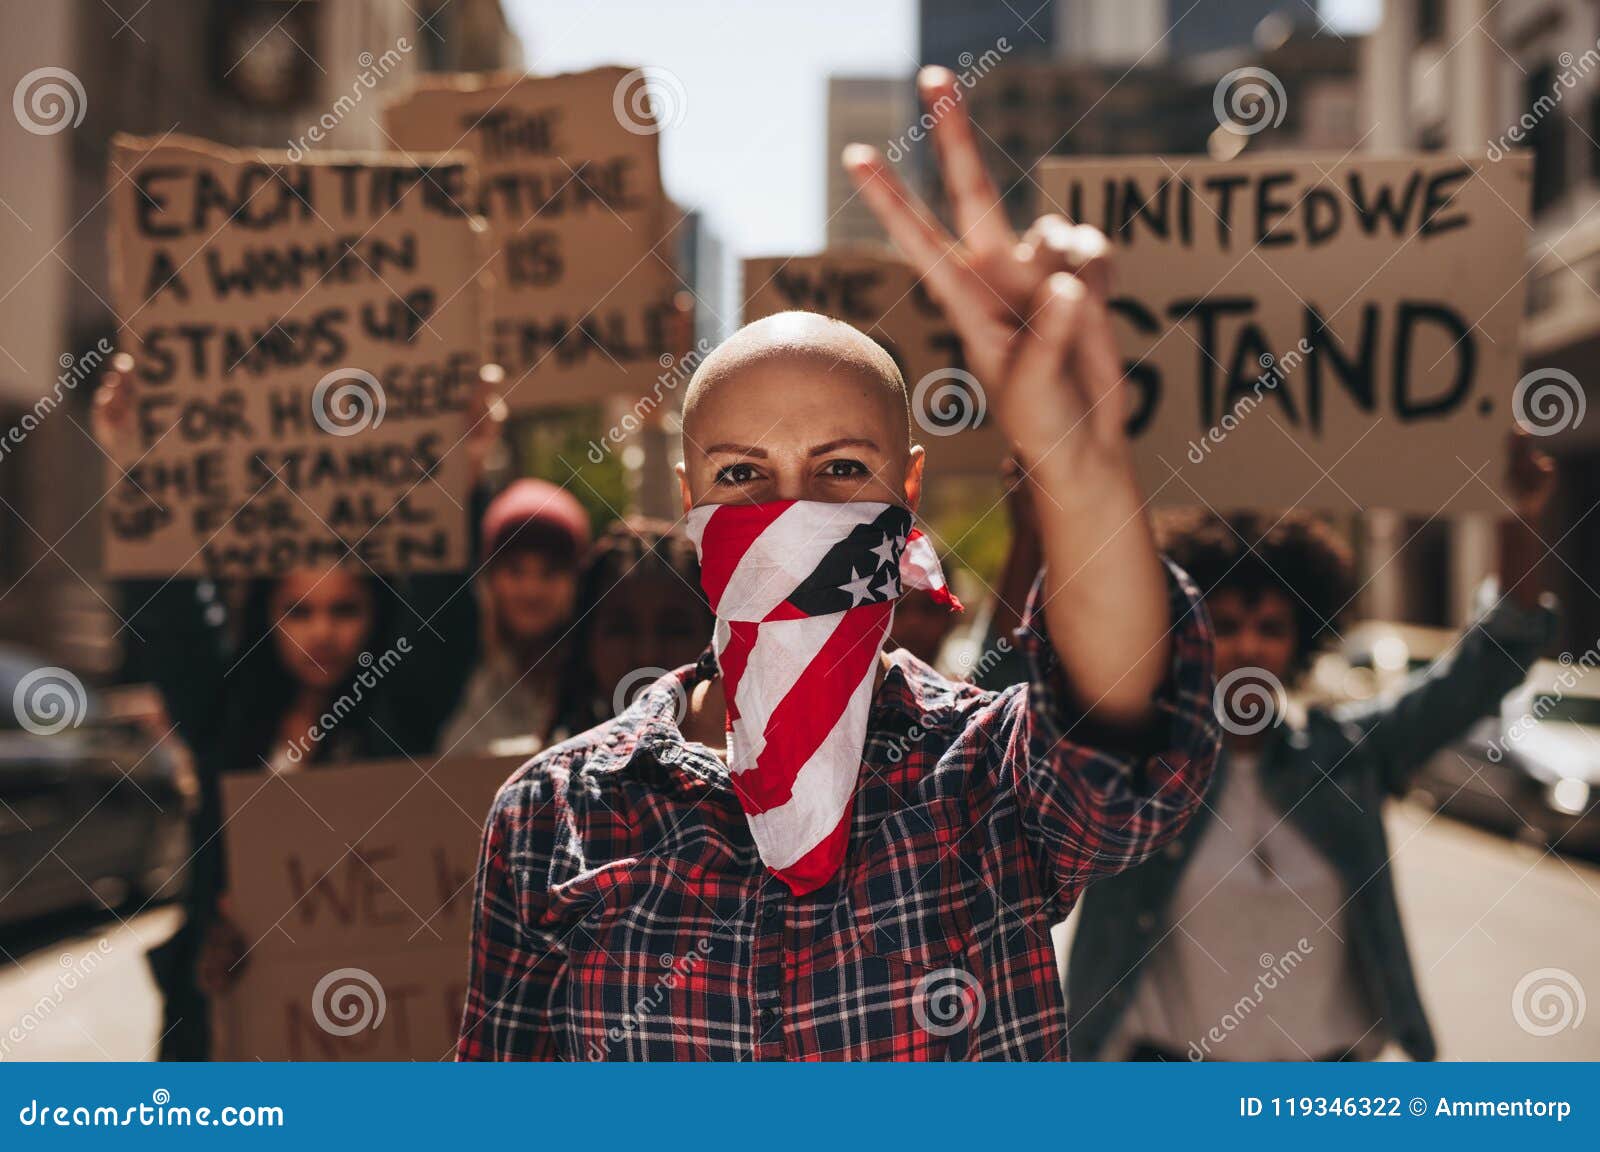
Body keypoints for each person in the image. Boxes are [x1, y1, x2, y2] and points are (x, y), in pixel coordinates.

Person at [456, 67, 1219, 1061]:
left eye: (840, 469)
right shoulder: (556, 814)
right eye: (743, 475)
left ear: (903, 490)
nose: (790, 515)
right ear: (689, 501)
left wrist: (1078, 463)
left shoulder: (981, 777)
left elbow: (1121, 747)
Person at [1067, 436, 1558, 1062]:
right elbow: (1012, 692)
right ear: (1185, 634)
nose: (1248, 648)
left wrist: (1521, 515)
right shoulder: (1136, 767)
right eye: (1225, 627)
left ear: (1303, 639)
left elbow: (1491, 664)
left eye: (1270, 628)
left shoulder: (1350, 755)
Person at [436, 479, 591, 756]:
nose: (532, 590)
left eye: (550, 572)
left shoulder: (597, 674)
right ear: (490, 578)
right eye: (516, 571)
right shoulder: (461, 668)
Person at [563, 517, 714, 729]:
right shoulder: (553, 761)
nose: (647, 655)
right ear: (586, 642)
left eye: (675, 631)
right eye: (621, 630)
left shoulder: (757, 758)